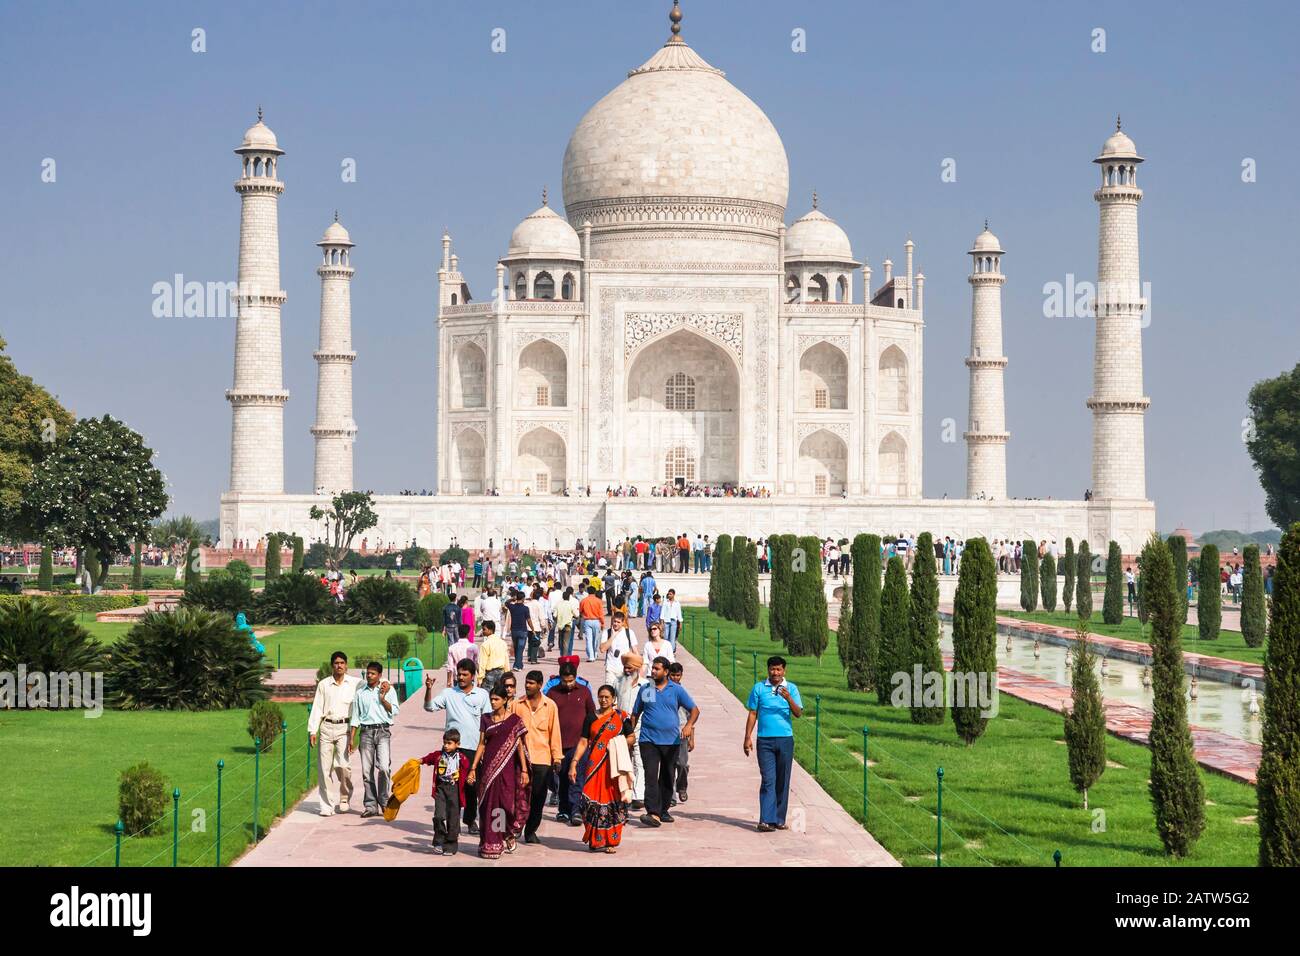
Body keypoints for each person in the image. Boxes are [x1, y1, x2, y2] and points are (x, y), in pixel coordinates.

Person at [423, 660, 491, 836]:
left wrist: (487, 748)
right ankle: (452, 823)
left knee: (471, 787)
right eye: (459, 674)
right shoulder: (449, 693)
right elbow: (429, 707)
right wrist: (429, 689)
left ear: (472, 676)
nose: (460, 677)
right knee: (451, 787)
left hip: (473, 749)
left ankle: (469, 820)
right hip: (452, 750)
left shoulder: (482, 695)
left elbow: (489, 721)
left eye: (464, 674)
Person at [569, 683, 636, 853]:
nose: (603, 700)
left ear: (614, 699)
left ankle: (610, 841)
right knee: (588, 800)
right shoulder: (591, 717)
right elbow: (584, 741)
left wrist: (615, 743)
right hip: (594, 765)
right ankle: (594, 838)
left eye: (607, 697)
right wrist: (574, 762)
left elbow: (631, 738)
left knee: (612, 801)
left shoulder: (621, 717)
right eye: (601, 697)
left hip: (613, 767)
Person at [633, 656, 699, 828]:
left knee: (668, 776)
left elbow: (695, 710)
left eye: (657, 669)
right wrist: (629, 735)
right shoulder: (646, 689)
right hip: (648, 740)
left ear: (666, 672)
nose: (653, 671)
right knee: (650, 776)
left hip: (671, 741)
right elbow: (635, 714)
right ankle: (652, 812)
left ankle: (663, 810)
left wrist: (688, 727)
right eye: (652, 668)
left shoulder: (676, 690)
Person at [467, 684, 530, 859]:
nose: (493, 702)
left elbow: (519, 746)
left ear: (505, 700)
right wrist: (473, 768)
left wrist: (524, 770)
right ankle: (493, 842)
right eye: (491, 699)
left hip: (507, 769)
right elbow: (482, 744)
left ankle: (507, 832)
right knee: (489, 804)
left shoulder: (514, 721)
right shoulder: (486, 719)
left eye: (496, 699)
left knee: (505, 804)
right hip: (488, 768)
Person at [744, 655, 804, 832]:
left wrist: (788, 698)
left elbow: (798, 713)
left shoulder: (791, 688)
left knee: (782, 780)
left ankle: (778, 819)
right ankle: (765, 820)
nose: (775, 672)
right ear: (768, 670)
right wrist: (747, 736)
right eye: (772, 669)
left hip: (785, 740)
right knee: (768, 779)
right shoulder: (759, 688)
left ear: (784, 671)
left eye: (778, 669)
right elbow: (753, 713)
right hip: (765, 741)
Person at [512, 670, 564, 843]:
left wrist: (557, 758)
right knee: (518, 795)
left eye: (532, 683)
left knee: (538, 797)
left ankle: (531, 830)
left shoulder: (550, 706)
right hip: (520, 758)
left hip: (542, 759)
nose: (528, 686)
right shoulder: (517, 705)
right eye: (526, 682)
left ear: (540, 685)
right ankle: (516, 826)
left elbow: (554, 732)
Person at [307, 651, 361, 816]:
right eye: (336, 663)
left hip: (344, 729)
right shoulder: (324, 684)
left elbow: (375, 681)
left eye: (342, 663)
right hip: (326, 728)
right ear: (332, 665)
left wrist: (386, 684)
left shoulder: (355, 683)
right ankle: (327, 805)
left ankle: (344, 798)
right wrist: (312, 730)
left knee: (343, 766)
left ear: (346, 665)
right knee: (324, 769)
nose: (339, 666)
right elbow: (317, 707)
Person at [546, 661, 596, 825]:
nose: (568, 684)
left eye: (571, 680)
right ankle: (563, 810)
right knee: (560, 778)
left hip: (579, 743)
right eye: (565, 681)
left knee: (576, 777)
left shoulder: (584, 691)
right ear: (560, 678)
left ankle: (576, 810)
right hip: (558, 744)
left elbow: (591, 715)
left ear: (575, 678)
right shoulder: (552, 693)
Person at [350, 661, 400, 819]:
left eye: (373, 673)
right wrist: (351, 738)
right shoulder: (360, 693)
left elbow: (395, 710)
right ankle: (371, 805)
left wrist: (383, 698)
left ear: (379, 675)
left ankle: (384, 801)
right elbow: (356, 716)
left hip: (383, 731)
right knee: (366, 771)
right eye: (368, 673)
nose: (369, 676)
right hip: (366, 732)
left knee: (384, 767)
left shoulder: (387, 689)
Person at [418, 728, 466, 855]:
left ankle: (450, 845)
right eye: (444, 743)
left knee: (453, 818)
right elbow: (428, 758)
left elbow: (468, 771)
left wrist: (471, 778)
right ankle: (439, 840)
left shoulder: (462, 758)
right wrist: (420, 761)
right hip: (441, 789)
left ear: (457, 744)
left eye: (449, 743)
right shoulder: (439, 756)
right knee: (439, 816)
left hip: (454, 790)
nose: (446, 746)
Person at [668, 661, 691, 805]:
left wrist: (692, 738)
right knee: (669, 764)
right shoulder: (665, 691)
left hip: (682, 732)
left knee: (682, 763)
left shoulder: (684, 693)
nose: (675, 678)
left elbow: (691, 717)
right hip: (668, 732)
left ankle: (682, 786)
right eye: (673, 675)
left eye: (678, 675)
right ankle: (670, 795)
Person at [600, 611, 637, 686]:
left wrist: (638, 668)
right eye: (614, 621)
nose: (615, 624)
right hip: (610, 669)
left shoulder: (629, 633)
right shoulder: (607, 632)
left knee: (622, 695)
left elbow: (635, 651)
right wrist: (613, 636)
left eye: (618, 622)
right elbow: (602, 649)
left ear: (623, 622)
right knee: (610, 692)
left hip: (625, 669)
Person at [506, 588, 532, 670]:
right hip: (523, 631)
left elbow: (506, 603)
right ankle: (516, 665)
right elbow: (528, 620)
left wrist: (512, 599)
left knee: (517, 648)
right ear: (523, 598)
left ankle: (520, 665)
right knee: (520, 649)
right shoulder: (525, 608)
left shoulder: (512, 607)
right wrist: (533, 629)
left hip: (514, 631)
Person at [578, 585, 605, 663]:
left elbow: (580, 611)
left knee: (589, 639)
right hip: (597, 621)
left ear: (588, 591)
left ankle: (591, 656)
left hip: (587, 621)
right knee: (596, 639)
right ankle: (595, 653)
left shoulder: (584, 601)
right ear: (595, 592)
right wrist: (602, 623)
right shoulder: (599, 601)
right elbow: (601, 613)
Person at [555, 586, 576, 658]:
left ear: (563, 597)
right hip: (568, 626)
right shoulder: (571, 604)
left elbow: (554, 615)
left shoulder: (558, 604)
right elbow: (576, 614)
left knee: (561, 642)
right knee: (566, 643)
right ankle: (565, 657)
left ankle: (562, 656)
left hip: (560, 626)